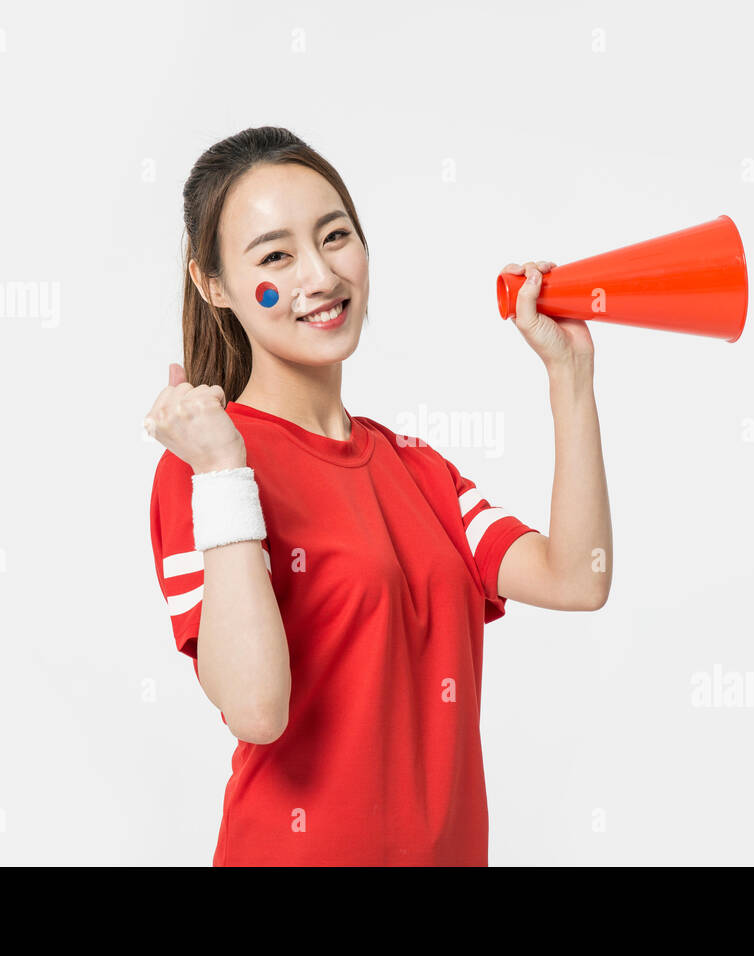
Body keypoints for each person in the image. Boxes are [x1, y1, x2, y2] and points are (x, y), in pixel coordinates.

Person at [144, 126, 613, 866]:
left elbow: (577, 578)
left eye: (335, 236)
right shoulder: (206, 468)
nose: (319, 276)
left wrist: (571, 378)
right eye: (275, 256)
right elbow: (257, 711)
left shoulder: (418, 469)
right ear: (215, 287)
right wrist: (224, 472)